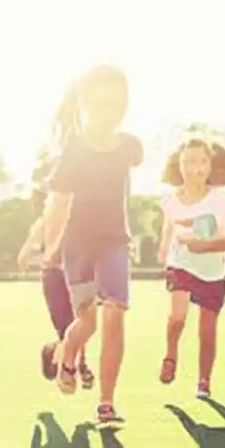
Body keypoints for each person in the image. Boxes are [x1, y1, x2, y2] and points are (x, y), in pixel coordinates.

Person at [42, 64, 142, 425]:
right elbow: (58, 199)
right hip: (78, 247)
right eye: (99, 104)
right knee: (88, 322)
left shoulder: (130, 146)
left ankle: (106, 402)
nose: (106, 112)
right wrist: (50, 245)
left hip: (114, 242)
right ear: (85, 104)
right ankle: (67, 352)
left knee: (115, 312)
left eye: (115, 104)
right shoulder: (74, 149)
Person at [157, 133, 225, 399]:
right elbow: (169, 224)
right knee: (177, 318)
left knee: (207, 329)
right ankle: (170, 355)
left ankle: (204, 381)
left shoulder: (219, 201)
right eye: (189, 162)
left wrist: (201, 245)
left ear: (210, 166)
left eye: (202, 162)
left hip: (212, 270)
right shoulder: (170, 199)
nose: (195, 168)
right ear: (178, 166)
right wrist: (164, 247)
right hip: (180, 263)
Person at [17, 186, 92, 388]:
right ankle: (61, 358)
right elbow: (30, 247)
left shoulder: (80, 216)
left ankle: (79, 364)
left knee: (82, 321)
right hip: (54, 276)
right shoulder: (44, 222)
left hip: (78, 274)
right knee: (66, 327)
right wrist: (28, 256)